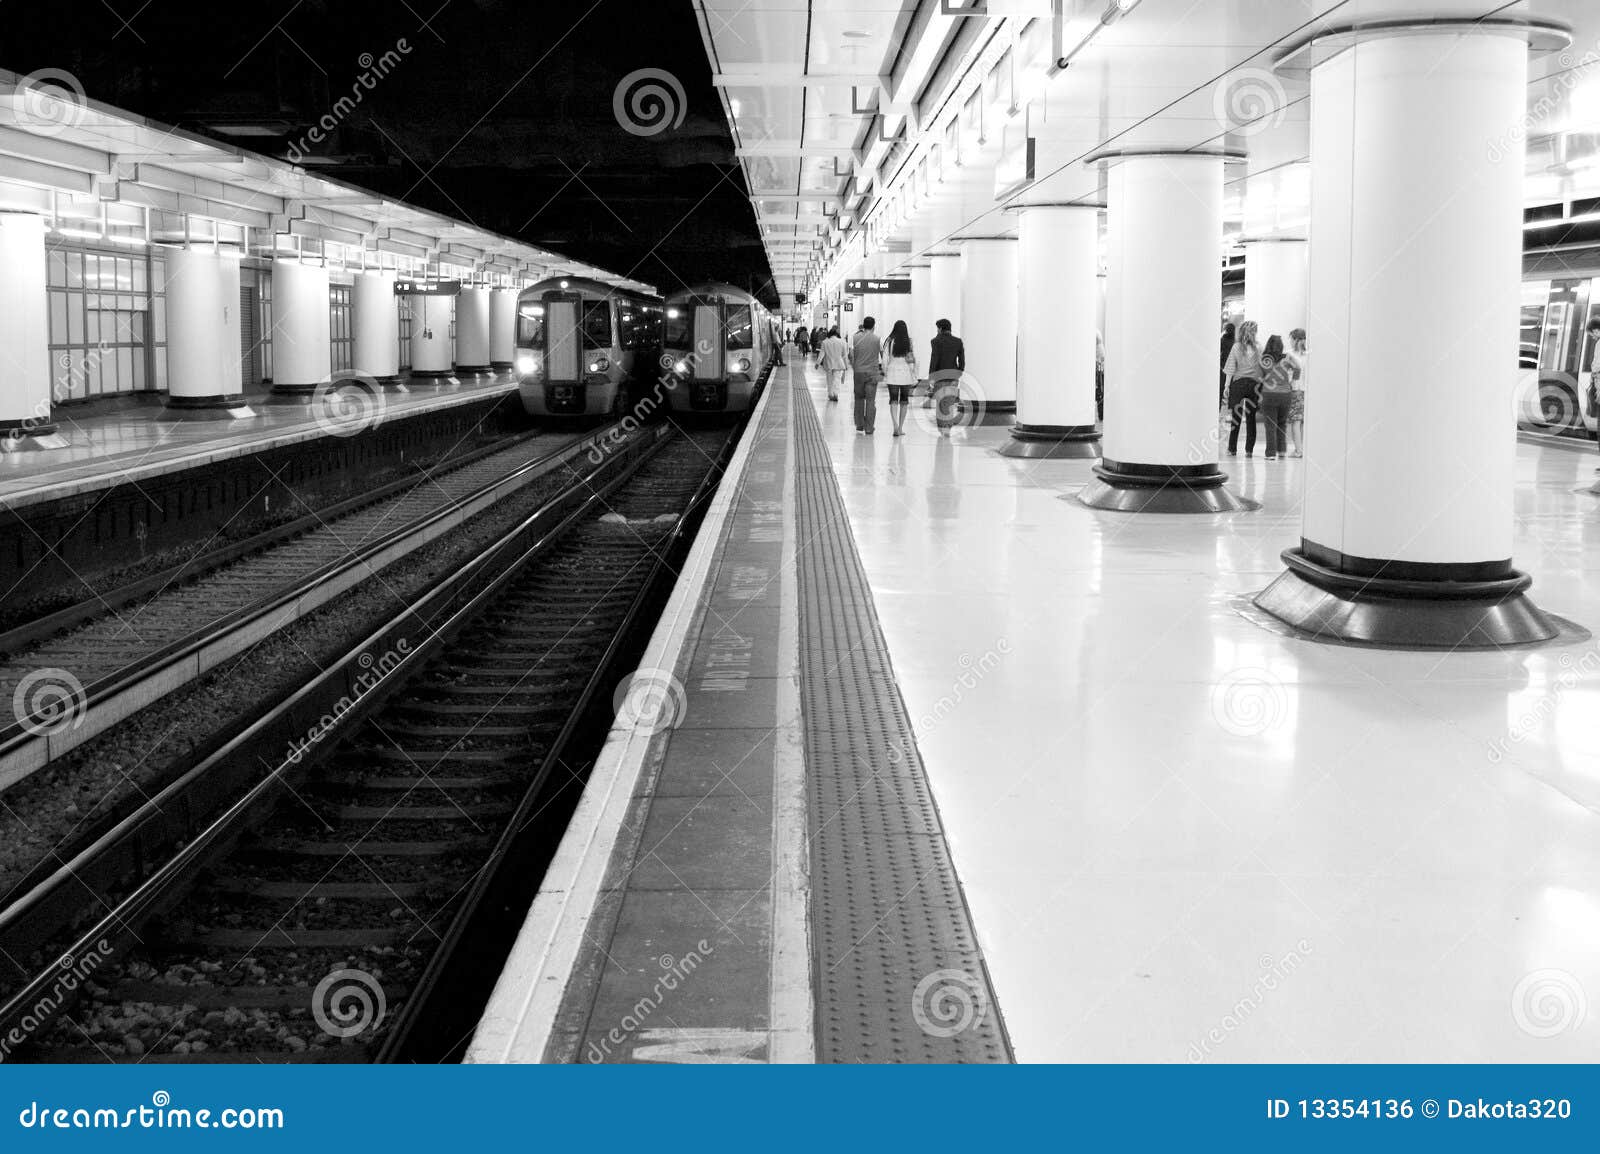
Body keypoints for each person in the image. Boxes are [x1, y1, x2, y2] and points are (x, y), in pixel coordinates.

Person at [1257, 334, 1300, 460]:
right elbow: (1297, 368)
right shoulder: (1286, 358)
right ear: (1281, 346)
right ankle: (1281, 451)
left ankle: (1270, 454)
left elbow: (1258, 378)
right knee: (1282, 424)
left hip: (1269, 394)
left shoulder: (1264, 359)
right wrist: (1293, 381)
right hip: (1285, 394)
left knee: (1270, 425)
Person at [1224, 320, 1263, 456]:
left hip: (1238, 384)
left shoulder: (1236, 347)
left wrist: (1226, 386)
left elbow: (1230, 368)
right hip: (1254, 385)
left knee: (1236, 417)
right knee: (1251, 418)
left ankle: (1232, 448)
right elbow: (1262, 368)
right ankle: (1249, 451)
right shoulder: (1259, 347)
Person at [927, 318, 966, 437]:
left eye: (937, 328)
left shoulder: (935, 341)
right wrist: (959, 371)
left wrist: (931, 377)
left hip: (939, 376)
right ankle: (947, 427)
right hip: (953, 376)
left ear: (940, 328)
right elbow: (962, 360)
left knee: (940, 402)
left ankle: (942, 427)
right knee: (949, 402)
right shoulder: (958, 341)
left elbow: (934, 359)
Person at [881, 319, 917, 437]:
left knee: (893, 400)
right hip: (906, 374)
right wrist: (913, 373)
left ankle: (895, 425)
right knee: (904, 401)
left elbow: (885, 359)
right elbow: (912, 359)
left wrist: (885, 371)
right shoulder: (909, 341)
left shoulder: (889, 341)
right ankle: (900, 427)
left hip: (892, 373)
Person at [851, 317, 883, 435]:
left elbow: (851, 355)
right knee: (870, 401)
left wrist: (854, 365)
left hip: (858, 372)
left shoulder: (855, 338)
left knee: (859, 399)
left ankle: (859, 425)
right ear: (874, 326)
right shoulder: (877, 339)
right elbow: (883, 356)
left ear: (863, 326)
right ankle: (869, 428)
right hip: (872, 373)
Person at [1287, 328, 1308, 457]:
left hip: (1295, 390)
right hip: (1307, 391)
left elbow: (1289, 376)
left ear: (1295, 340)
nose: (1289, 342)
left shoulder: (1290, 354)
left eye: (1290, 339)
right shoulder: (1309, 354)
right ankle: (1302, 449)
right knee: (1302, 423)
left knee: (1295, 422)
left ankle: (1298, 450)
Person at [819, 325, 848, 402]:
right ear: (837, 335)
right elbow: (845, 355)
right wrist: (846, 365)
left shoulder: (825, 342)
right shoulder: (843, 342)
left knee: (829, 379)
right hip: (839, 364)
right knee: (837, 379)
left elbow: (822, 354)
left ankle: (830, 394)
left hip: (828, 363)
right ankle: (835, 394)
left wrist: (817, 363)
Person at [1219, 321, 1236, 409]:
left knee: (1221, 388)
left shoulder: (1222, 340)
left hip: (1222, 366)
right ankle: (1230, 410)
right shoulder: (1235, 342)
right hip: (1232, 368)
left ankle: (1218, 408)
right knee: (1232, 390)